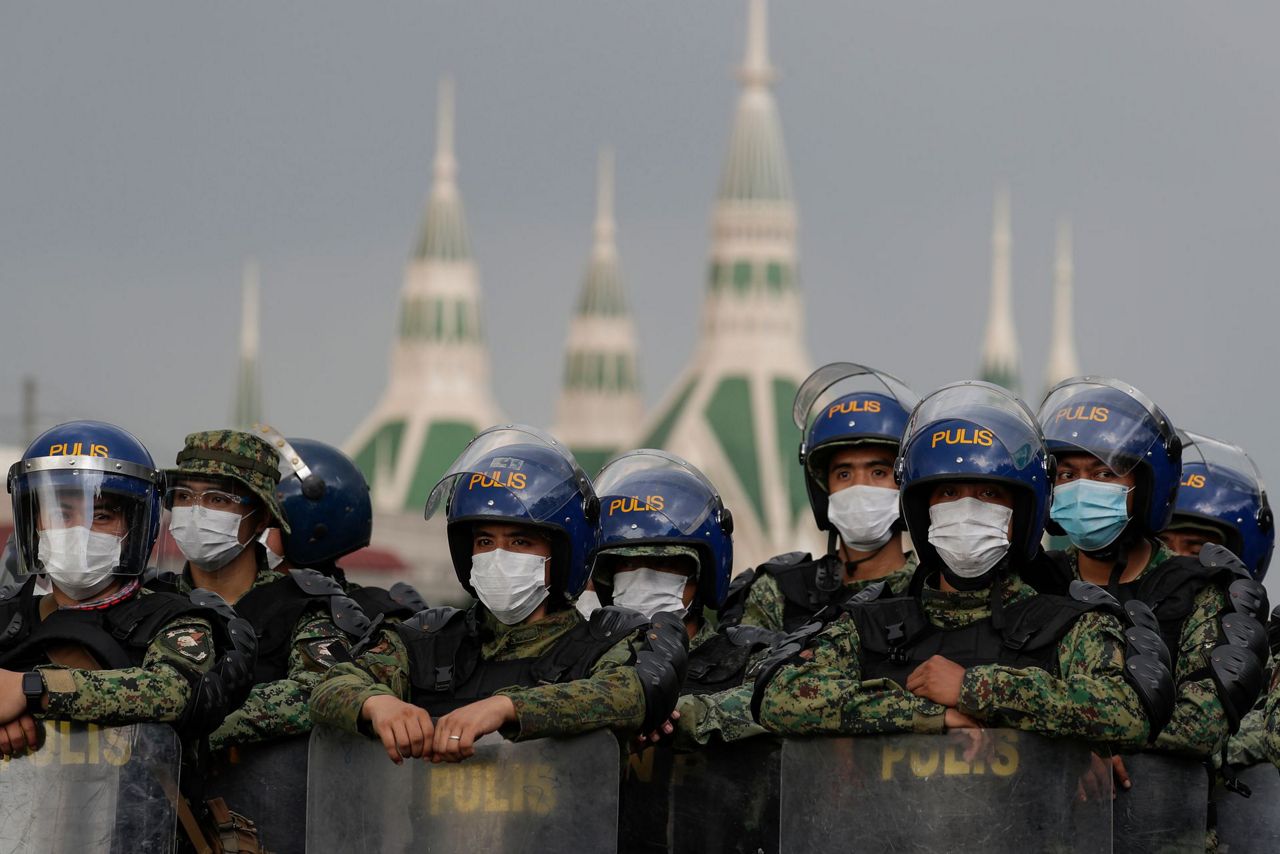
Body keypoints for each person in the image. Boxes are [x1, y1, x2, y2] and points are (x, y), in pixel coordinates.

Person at [753, 382, 1169, 747]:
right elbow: (778, 697)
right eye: (949, 493)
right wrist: (924, 713)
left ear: (1023, 513)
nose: (967, 510)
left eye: (989, 494)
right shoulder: (869, 623)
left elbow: (1128, 713)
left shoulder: (1071, 625)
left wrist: (975, 689)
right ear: (922, 511)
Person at [310, 425, 687, 764]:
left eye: (520, 542)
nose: (499, 556)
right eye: (485, 541)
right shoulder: (429, 640)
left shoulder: (606, 643)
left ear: (563, 554)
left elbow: (629, 693)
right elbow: (331, 684)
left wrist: (505, 708)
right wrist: (377, 704)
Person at [1030, 379, 1268, 762]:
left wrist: (1091, 743)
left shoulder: (1198, 591)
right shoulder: (1033, 581)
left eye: (1104, 474)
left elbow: (1201, 724)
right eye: (1067, 475)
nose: (1082, 488)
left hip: (1160, 799)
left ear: (1145, 487)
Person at [0, 421, 254, 754]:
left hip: (139, 788)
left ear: (134, 528)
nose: (78, 530)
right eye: (60, 513)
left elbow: (175, 690)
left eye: (102, 516)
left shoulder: (173, 620)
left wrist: (31, 690)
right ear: (33, 524)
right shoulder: (7, 620)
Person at [150, 430, 371, 752]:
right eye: (183, 496)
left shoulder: (303, 606)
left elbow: (320, 689)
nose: (196, 511)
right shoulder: (152, 599)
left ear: (261, 517)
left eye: (218, 499)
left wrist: (199, 722)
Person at [588, 449, 771, 748]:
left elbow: (786, 700)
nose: (643, 577)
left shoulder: (750, 659)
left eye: (664, 562)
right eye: (628, 563)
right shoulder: (583, 660)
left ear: (703, 573)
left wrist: (684, 716)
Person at [720, 363, 920, 633]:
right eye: (844, 474)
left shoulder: (933, 596)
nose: (859, 487)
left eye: (878, 472)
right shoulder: (778, 592)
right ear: (823, 494)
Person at [1156, 432, 1274, 774]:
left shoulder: (1270, 656)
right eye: (1162, 546)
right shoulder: (1106, 633)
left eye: (1196, 550)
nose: (1176, 561)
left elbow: (1263, 734)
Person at [250, 428, 428, 620]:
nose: (253, 531)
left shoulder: (362, 622)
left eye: (266, 523)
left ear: (310, 531)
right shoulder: (251, 607)